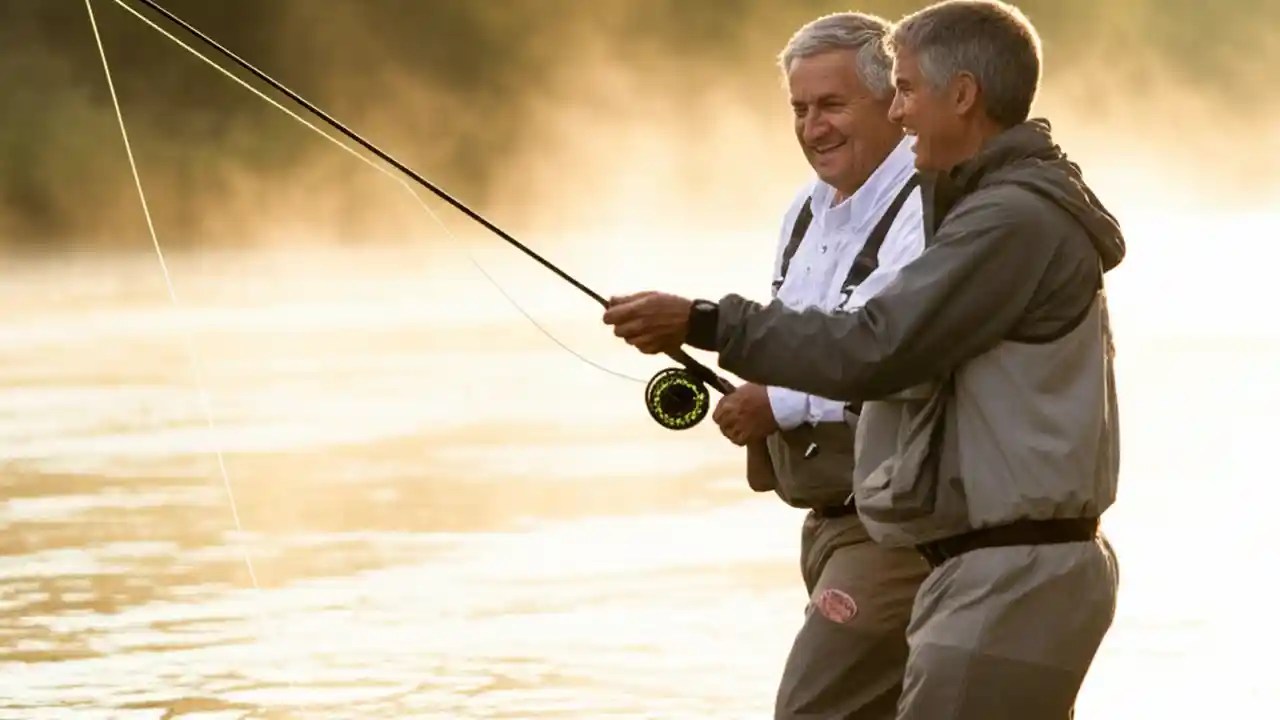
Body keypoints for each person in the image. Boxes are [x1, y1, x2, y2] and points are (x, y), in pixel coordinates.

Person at [603, 1, 1124, 718]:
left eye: (904, 90)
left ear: (963, 94)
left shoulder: (1007, 221)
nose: (901, 111)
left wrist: (706, 321)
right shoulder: (979, 210)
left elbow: (874, 346)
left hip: (1004, 570)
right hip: (970, 564)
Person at [714, 12, 931, 720]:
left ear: (894, 102)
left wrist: (774, 401)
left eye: (832, 105)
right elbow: (802, 339)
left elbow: (885, 349)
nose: (814, 128)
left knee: (812, 710)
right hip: (826, 520)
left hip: (895, 529)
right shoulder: (802, 213)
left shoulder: (926, 206)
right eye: (799, 110)